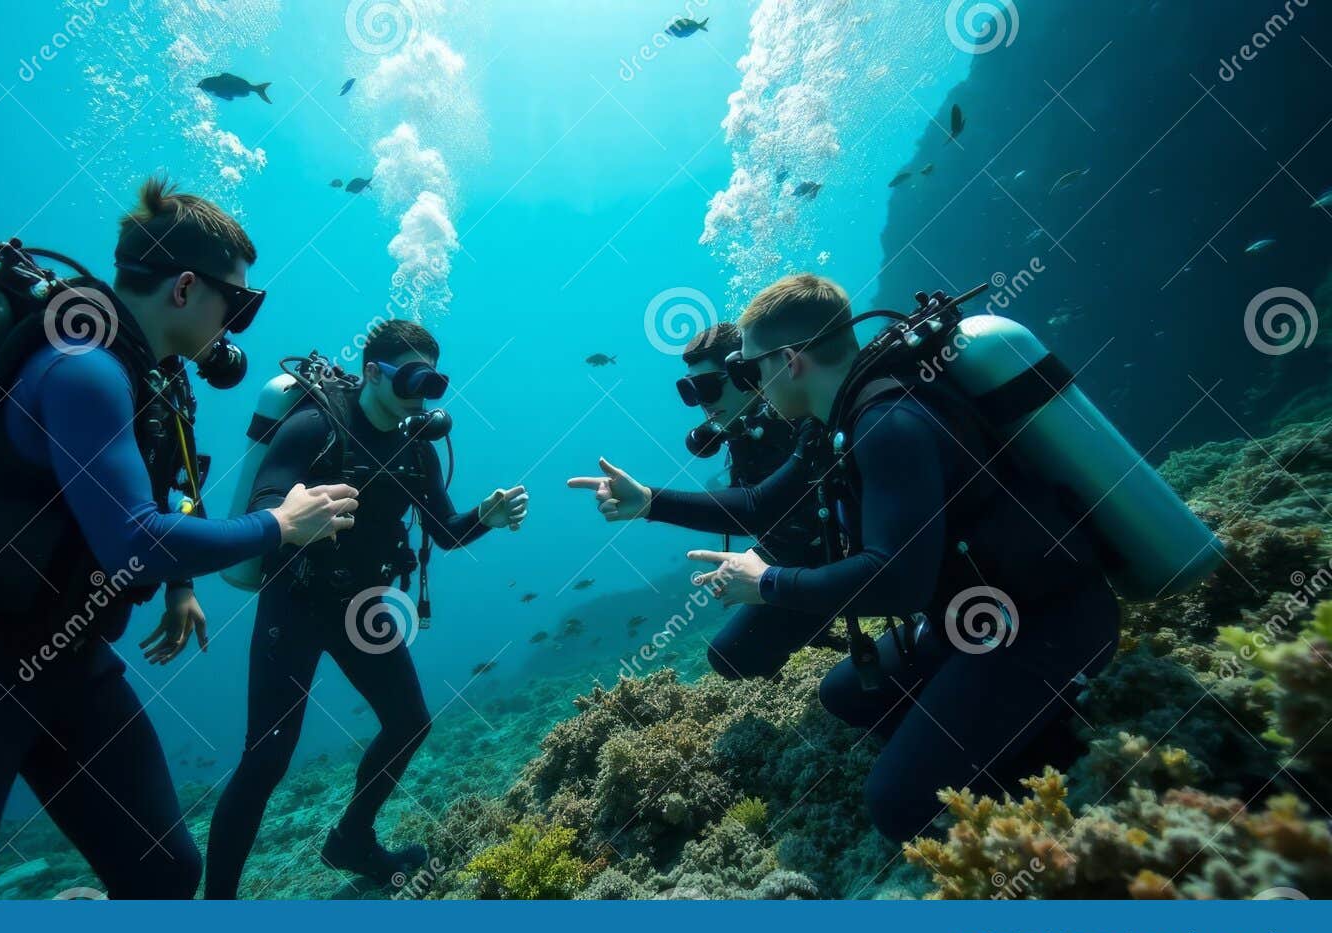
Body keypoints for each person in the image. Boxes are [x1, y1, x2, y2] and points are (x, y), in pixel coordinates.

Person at [0, 178, 358, 899]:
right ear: (185, 287)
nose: (235, 327)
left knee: (164, 869)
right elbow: (134, 541)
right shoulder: (84, 371)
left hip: (71, 661)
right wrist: (278, 524)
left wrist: (181, 587)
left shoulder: (158, 382)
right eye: (237, 304)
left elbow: (162, 490)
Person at [570, 274, 1119, 842]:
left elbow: (896, 583)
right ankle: (986, 732)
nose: (750, 383)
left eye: (750, 368)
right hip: (973, 613)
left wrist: (770, 583)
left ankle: (1060, 728)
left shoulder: (886, 424)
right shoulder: (834, 425)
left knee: (896, 806)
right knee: (844, 695)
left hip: (1042, 618)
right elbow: (761, 504)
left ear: (790, 361)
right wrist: (650, 502)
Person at [204, 320, 529, 897]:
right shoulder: (314, 427)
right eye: (410, 377)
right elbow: (263, 502)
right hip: (297, 600)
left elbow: (446, 533)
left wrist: (488, 515)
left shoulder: (417, 450)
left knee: (409, 723)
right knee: (267, 761)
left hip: (362, 606)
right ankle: (217, 908)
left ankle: (352, 839)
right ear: (372, 372)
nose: (421, 392)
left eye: (431, 380)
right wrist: (296, 514)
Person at [573, 323, 835, 677]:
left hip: (861, 562)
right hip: (804, 559)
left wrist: (651, 501)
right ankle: (820, 623)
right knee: (732, 657)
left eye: (708, 387)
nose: (701, 404)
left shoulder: (808, 421)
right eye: (689, 391)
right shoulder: (741, 433)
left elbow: (757, 508)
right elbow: (755, 510)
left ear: (747, 374)